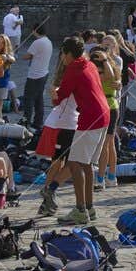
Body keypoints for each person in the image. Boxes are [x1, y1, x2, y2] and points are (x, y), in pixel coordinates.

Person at [53, 35, 110, 223]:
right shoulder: (90, 64)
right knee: (87, 164)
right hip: (104, 114)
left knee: (75, 163)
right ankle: (89, 208)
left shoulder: (73, 69)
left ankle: (80, 210)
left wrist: (53, 93)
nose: (62, 57)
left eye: (63, 54)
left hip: (90, 118)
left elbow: (60, 96)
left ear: (68, 53)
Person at [89, 42, 121, 188]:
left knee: (105, 145)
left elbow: (110, 76)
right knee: (108, 145)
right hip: (97, 108)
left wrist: (105, 60)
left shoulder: (109, 68)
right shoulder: (93, 67)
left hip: (110, 108)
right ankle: (111, 176)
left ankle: (101, 179)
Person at [21, 23, 53, 131]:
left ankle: (26, 121)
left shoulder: (37, 42)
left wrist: (19, 55)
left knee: (28, 99)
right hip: (44, 73)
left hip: (35, 75)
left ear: (35, 31)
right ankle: (38, 122)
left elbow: (28, 56)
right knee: (39, 99)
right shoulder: (48, 41)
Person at [0, 31, 15, 123]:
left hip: (2, 83)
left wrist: (6, 57)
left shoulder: (7, 55)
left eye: (2, 42)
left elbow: (13, 59)